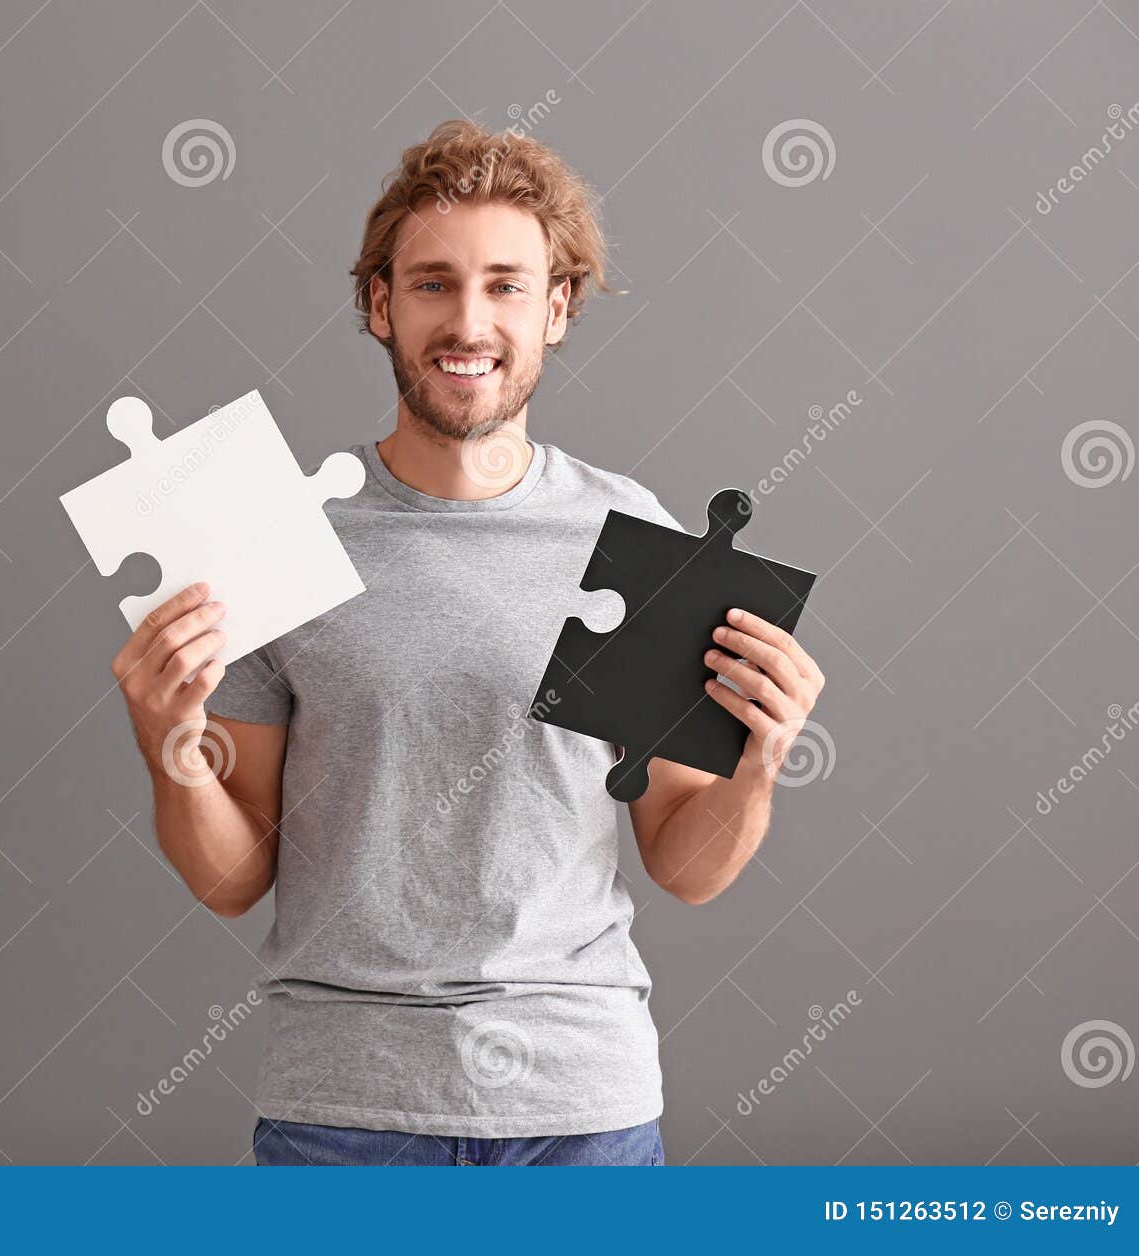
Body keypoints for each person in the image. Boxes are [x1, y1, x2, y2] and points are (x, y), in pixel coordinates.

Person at [109, 119, 825, 1167]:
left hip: (580, 1112)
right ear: (378, 303)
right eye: (434, 283)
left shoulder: (639, 542)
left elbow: (686, 860)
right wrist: (166, 748)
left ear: (557, 308)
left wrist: (758, 762)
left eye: (505, 284)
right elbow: (233, 876)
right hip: (341, 1113)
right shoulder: (284, 543)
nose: (469, 319)